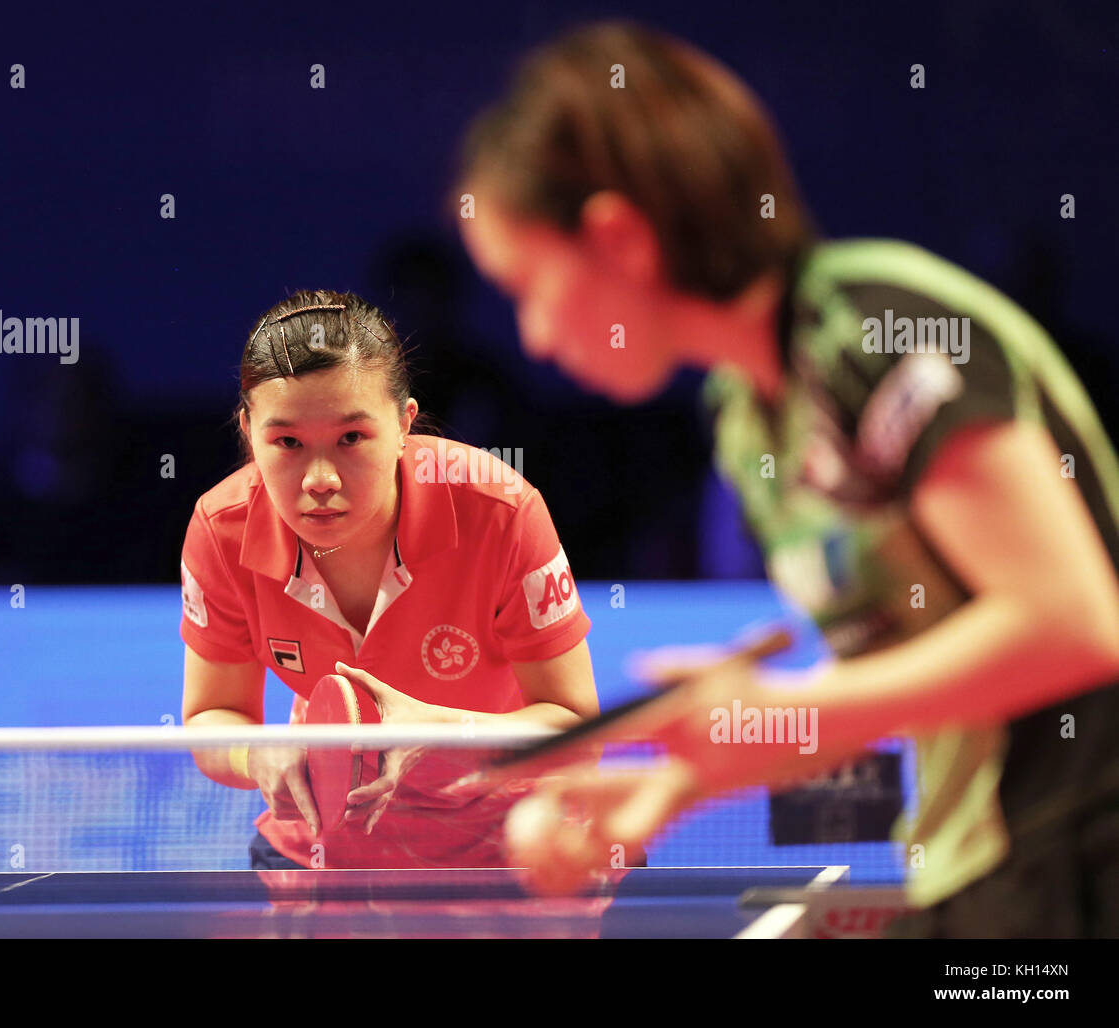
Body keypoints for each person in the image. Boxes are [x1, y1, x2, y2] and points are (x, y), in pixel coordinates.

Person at [454, 21, 1119, 936]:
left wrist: (776, 706)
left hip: (1085, 847)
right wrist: (672, 787)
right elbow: (901, 679)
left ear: (618, 238)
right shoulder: (747, 416)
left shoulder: (878, 327)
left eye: (529, 284)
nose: (531, 335)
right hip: (981, 863)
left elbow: (1074, 621)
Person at [179, 288, 598, 871]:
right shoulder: (221, 530)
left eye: (352, 438)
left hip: (517, 858)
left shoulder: (500, 511)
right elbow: (209, 719)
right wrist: (258, 755)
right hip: (317, 861)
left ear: (404, 424)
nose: (320, 478)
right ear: (248, 430)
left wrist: (450, 732)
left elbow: (578, 731)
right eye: (288, 442)